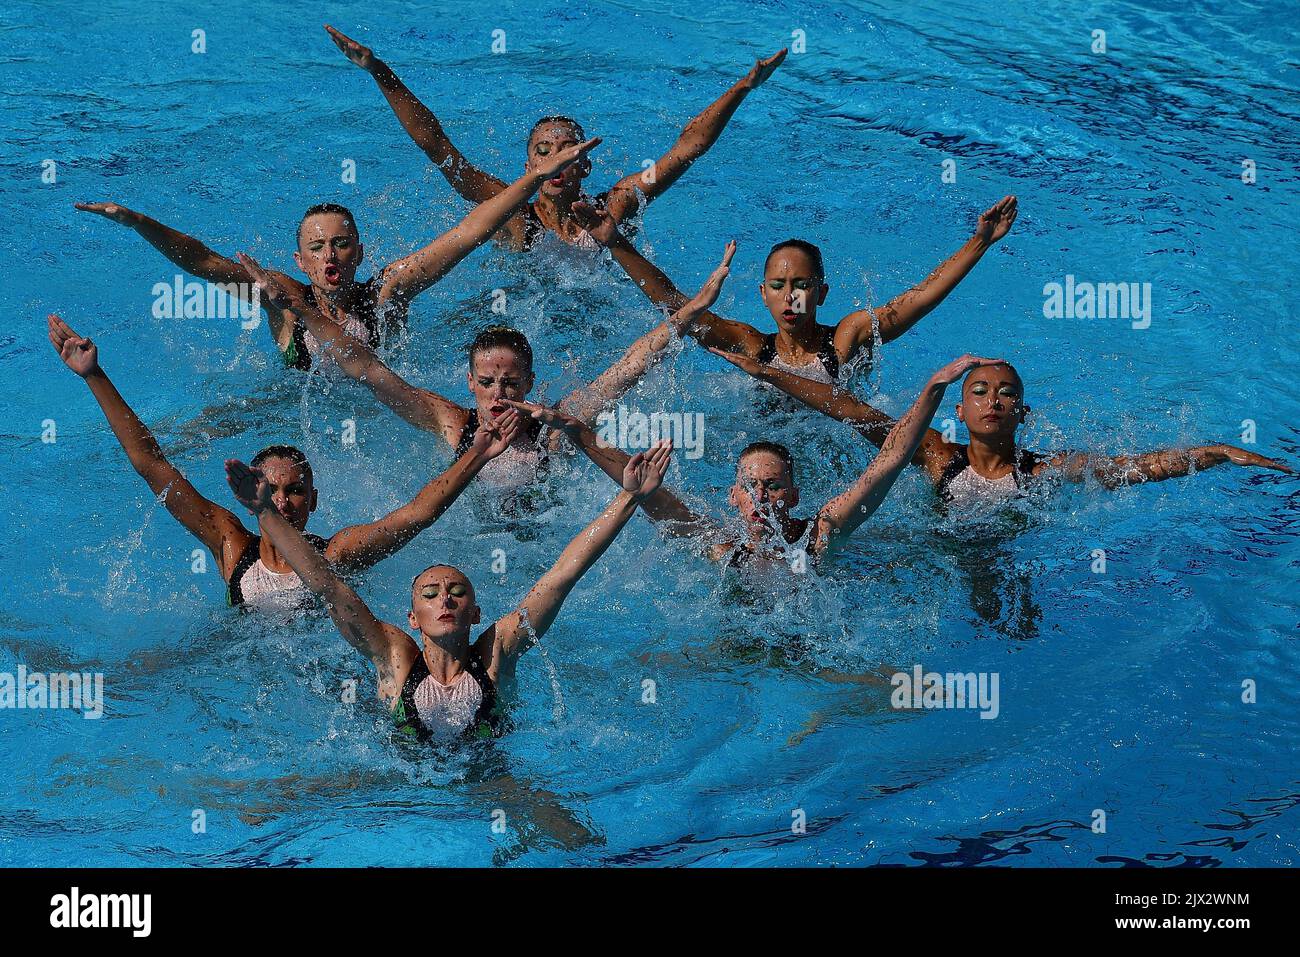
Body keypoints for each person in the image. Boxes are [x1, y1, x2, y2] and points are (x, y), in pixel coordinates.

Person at [48, 313, 524, 612]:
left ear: (313, 500)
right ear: (250, 494)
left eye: (295, 490)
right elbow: (151, 464)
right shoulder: (231, 546)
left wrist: (478, 454)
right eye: (272, 491)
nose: (283, 500)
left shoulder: (336, 556)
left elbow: (418, 514)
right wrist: (95, 376)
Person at [223, 442, 673, 742]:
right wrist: (266, 514)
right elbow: (327, 586)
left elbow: (560, 577)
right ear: (412, 617)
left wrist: (627, 499)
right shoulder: (394, 656)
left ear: (475, 612)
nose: (446, 599)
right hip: (401, 794)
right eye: (431, 593)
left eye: (457, 592)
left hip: (486, 786)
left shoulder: (497, 653)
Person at [235, 241, 736, 489]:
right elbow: (369, 370)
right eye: (489, 382)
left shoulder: (555, 429)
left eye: (512, 383)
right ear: (469, 382)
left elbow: (628, 368)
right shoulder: (453, 422)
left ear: (530, 384)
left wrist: (691, 314)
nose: (499, 395)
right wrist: (299, 311)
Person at [73, 138, 599, 371]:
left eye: (342, 243)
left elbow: (467, 232)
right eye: (318, 247)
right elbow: (202, 261)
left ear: (360, 252)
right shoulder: (281, 298)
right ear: (300, 261)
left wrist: (534, 178)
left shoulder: (390, 290)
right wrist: (135, 221)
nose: (331, 255)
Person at [507, 355, 1000, 568]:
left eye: (774, 485)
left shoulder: (821, 534)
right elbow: (650, 497)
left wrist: (933, 390)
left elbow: (887, 464)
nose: (763, 495)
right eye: (752, 486)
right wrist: (576, 432)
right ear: (734, 496)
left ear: (795, 495)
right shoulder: (722, 547)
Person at [324, 25, 786, 251]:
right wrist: (378, 70)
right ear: (529, 169)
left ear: (585, 164)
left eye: (566, 151)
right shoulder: (510, 213)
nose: (555, 161)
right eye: (542, 153)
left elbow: (687, 150)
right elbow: (437, 147)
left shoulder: (618, 204)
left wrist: (743, 89)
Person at [708, 350, 1296, 506]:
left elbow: (1138, 468)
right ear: (958, 412)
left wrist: (1219, 451)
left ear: (1023, 414)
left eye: (1007, 393)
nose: (994, 400)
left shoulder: (1044, 472)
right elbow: (851, 410)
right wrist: (767, 373)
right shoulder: (938, 456)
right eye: (979, 391)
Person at [567, 196, 1018, 384]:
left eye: (802, 286)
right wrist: (615, 241)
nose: (791, 296)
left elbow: (916, 300)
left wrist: (978, 242)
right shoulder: (750, 345)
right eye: (779, 286)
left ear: (821, 293)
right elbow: (676, 307)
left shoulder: (846, 340)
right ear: (763, 293)